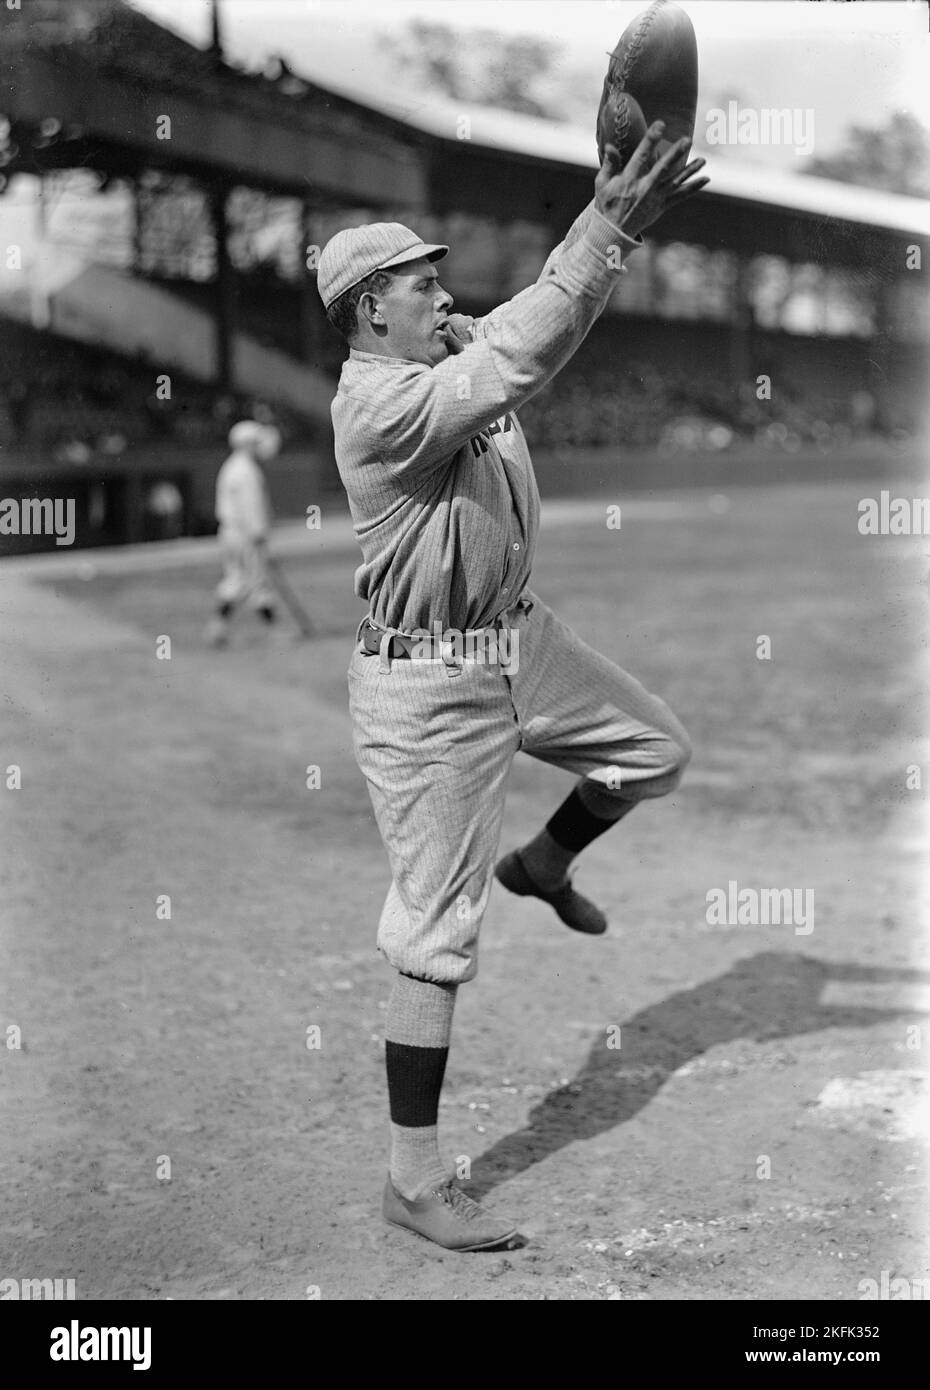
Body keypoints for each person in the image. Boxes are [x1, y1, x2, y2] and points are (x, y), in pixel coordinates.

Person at [318, 125, 708, 1250]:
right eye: (420, 284)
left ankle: (544, 861)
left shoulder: (449, 349)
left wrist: (610, 221)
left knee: (655, 752)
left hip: (515, 640)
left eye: (440, 280)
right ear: (367, 313)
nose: (444, 294)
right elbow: (524, 353)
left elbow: (551, 316)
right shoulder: (380, 406)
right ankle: (411, 1177)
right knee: (434, 937)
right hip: (426, 689)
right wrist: (609, 224)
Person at [205, 419, 281, 647]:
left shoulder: (232, 466)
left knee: (236, 580)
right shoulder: (246, 471)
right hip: (244, 533)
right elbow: (251, 507)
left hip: (231, 532)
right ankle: (274, 631)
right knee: (257, 582)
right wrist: (259, 533)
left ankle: (217, 627)